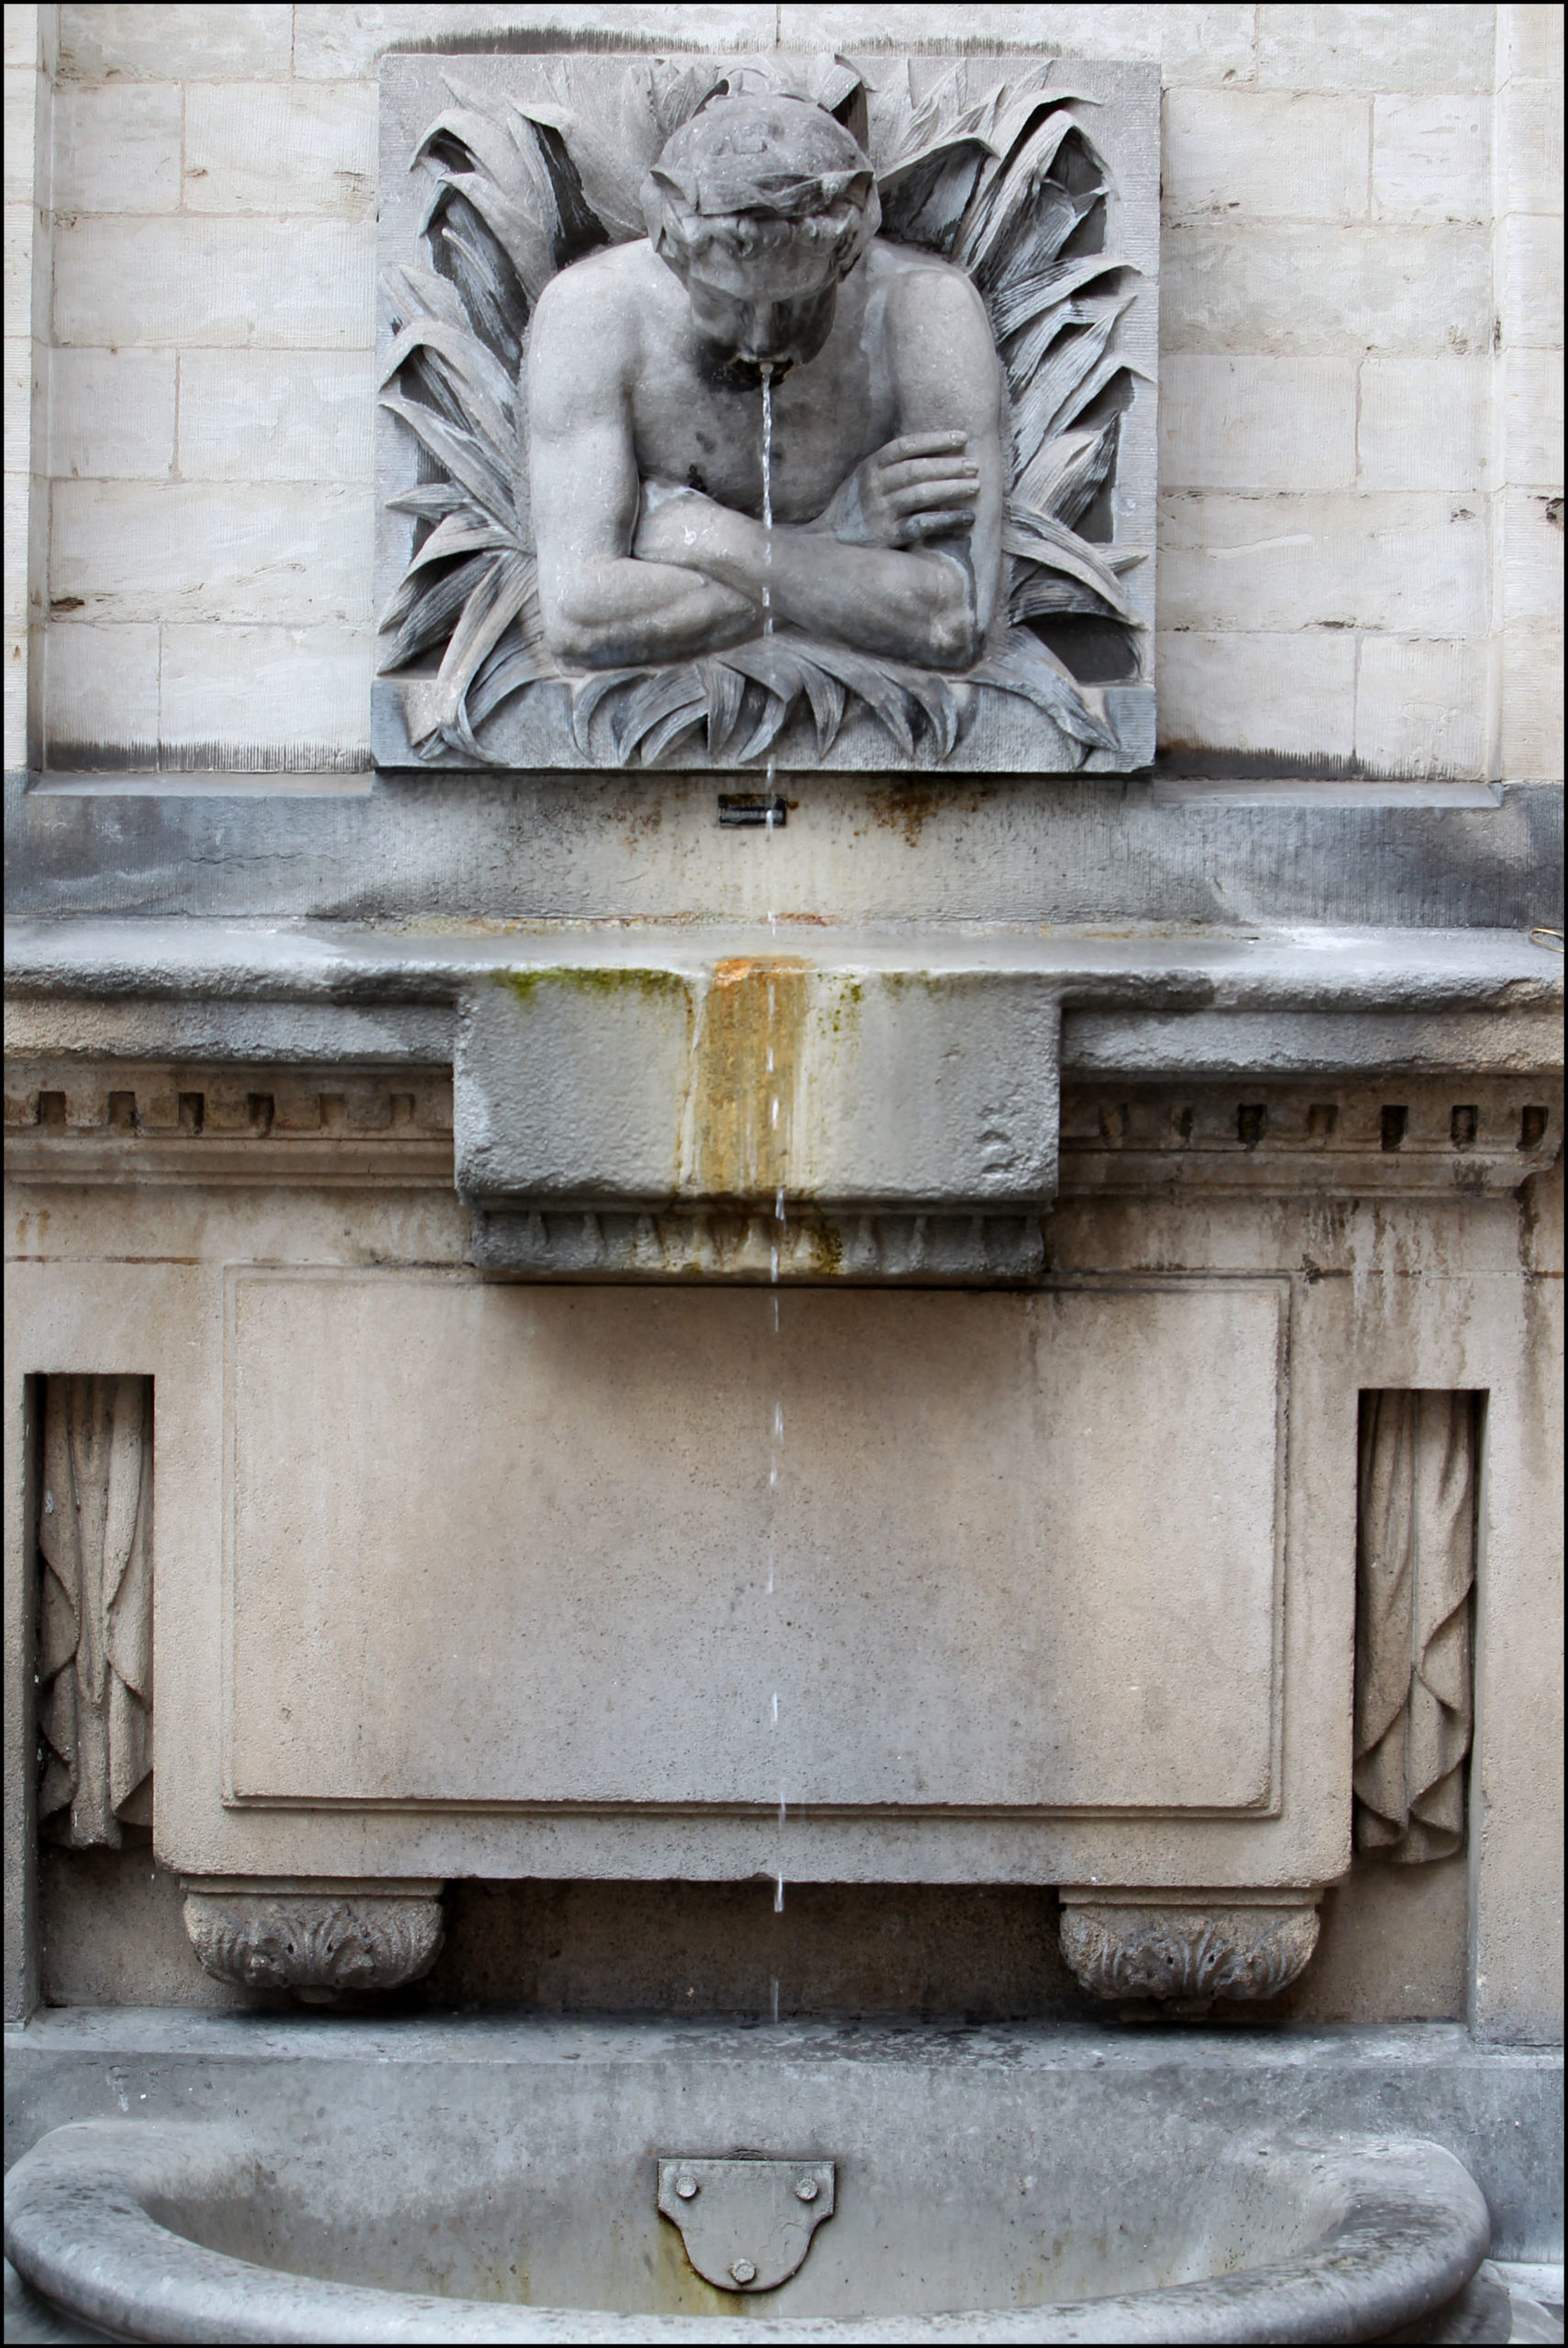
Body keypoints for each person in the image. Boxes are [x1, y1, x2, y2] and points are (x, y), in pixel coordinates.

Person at [526, 89, 1005, 673]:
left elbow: (950, 617)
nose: (763, 340)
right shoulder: (595, 314)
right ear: (675, 258)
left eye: (797, 304)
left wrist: (706, 536)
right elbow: (579, 617)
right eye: (727, 302)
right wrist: (841, 539)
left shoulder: (925, 313)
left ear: (845, 257)